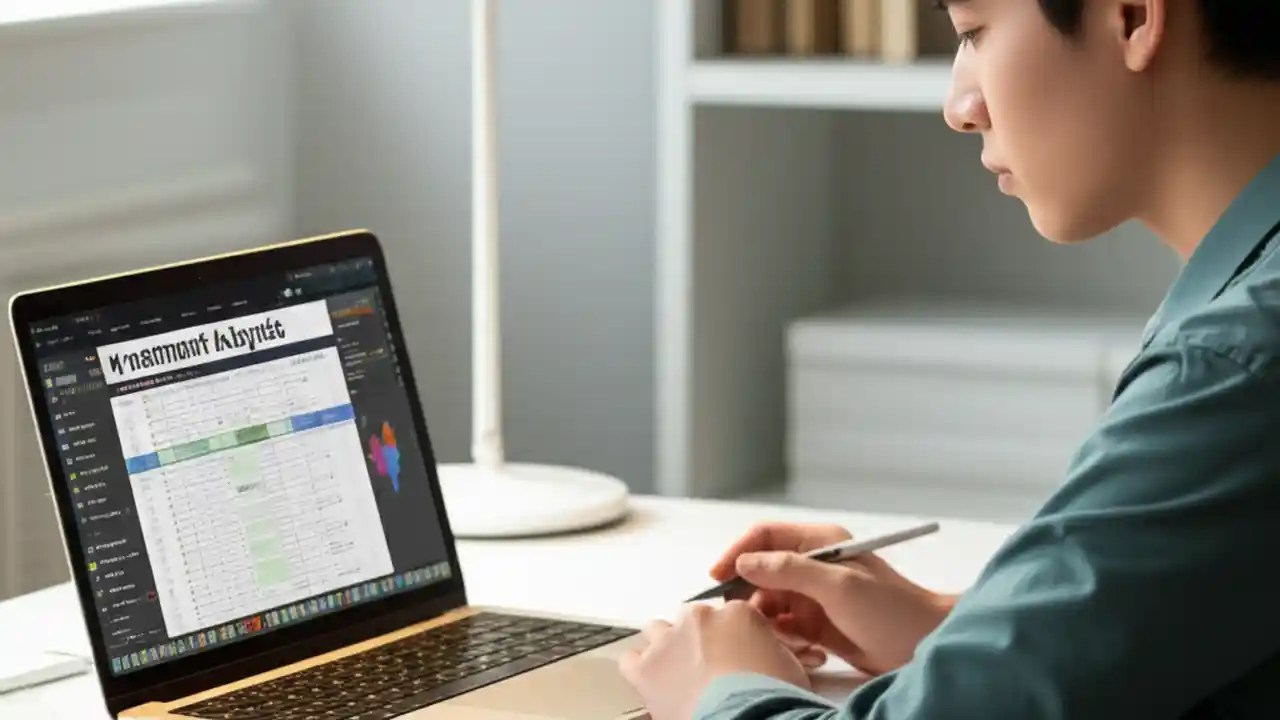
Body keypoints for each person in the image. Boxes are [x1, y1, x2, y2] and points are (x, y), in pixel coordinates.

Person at [619, 0, 1280, 717]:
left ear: (1130, 16)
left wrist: (722, 688)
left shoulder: (1235, 366)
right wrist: (967, 633)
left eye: (973, 32)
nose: (960, 106)